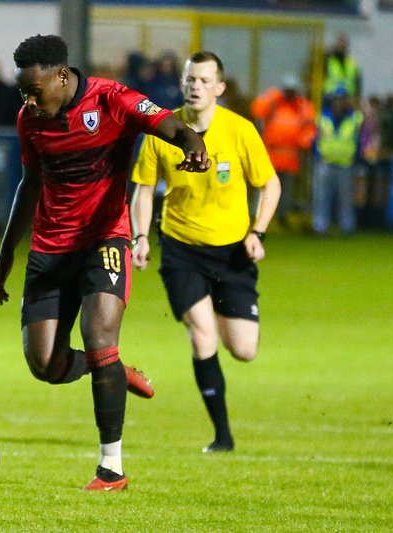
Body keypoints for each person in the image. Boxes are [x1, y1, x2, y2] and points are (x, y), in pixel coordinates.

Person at [0, 34, 210, 491]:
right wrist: (7, 251)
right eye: (22, 93)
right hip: (50, 248)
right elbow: (30, 183)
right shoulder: (29, 122)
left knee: (99, 336)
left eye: (35, 91)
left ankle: (111, 468)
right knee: (43, 365)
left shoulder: (111, 100)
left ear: (62, 77)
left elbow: (168, 123)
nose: (29, 102)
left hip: (105, 238)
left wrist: (192, 144)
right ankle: (108, 368)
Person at [130, 51, 281, 454]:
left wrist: (258, 233)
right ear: (183, 84)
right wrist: (140, 237)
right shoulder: (162, 131)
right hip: (182, 249)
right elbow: (144, 189)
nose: (195, 86)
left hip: (232, 253)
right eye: (190, 80)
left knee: (245, 350)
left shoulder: (240, 130)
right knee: (202, 335)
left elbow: (270, 185)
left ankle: (213, 303)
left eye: (203, 80)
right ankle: (223, 436)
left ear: (220, 87)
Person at [251, 73, 316, 225]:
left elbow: (309, 128)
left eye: (292, 91)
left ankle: (283, 216)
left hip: (291, 156)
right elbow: (257, 110)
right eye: (287, 90)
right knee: (265, 187)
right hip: (272, 155)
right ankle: (259, 214)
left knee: (286, 190)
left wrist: (304, 143)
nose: (289, 94)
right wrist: (273, 95)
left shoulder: (302, 107)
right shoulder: (274, 103)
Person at [312, 86, 363, 236]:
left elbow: (360, 139)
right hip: (325, 162)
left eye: (342, 100)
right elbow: (315, 138)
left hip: (346, 163)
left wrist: (357, 156)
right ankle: (319, 227)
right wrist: (316, 154)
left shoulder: (354, 118)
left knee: (346, 198)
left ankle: (347, 227)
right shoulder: (323, 117)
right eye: (337, 100)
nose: (339, 103)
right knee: (321, 197)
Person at [323, 33, 361, 104]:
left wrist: (356, 98)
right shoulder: (329, 60)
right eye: (339, 44)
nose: (342, 46)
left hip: (347, 98)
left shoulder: (352, 63)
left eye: (344, 44)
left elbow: (358, 82)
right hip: (330, 97)